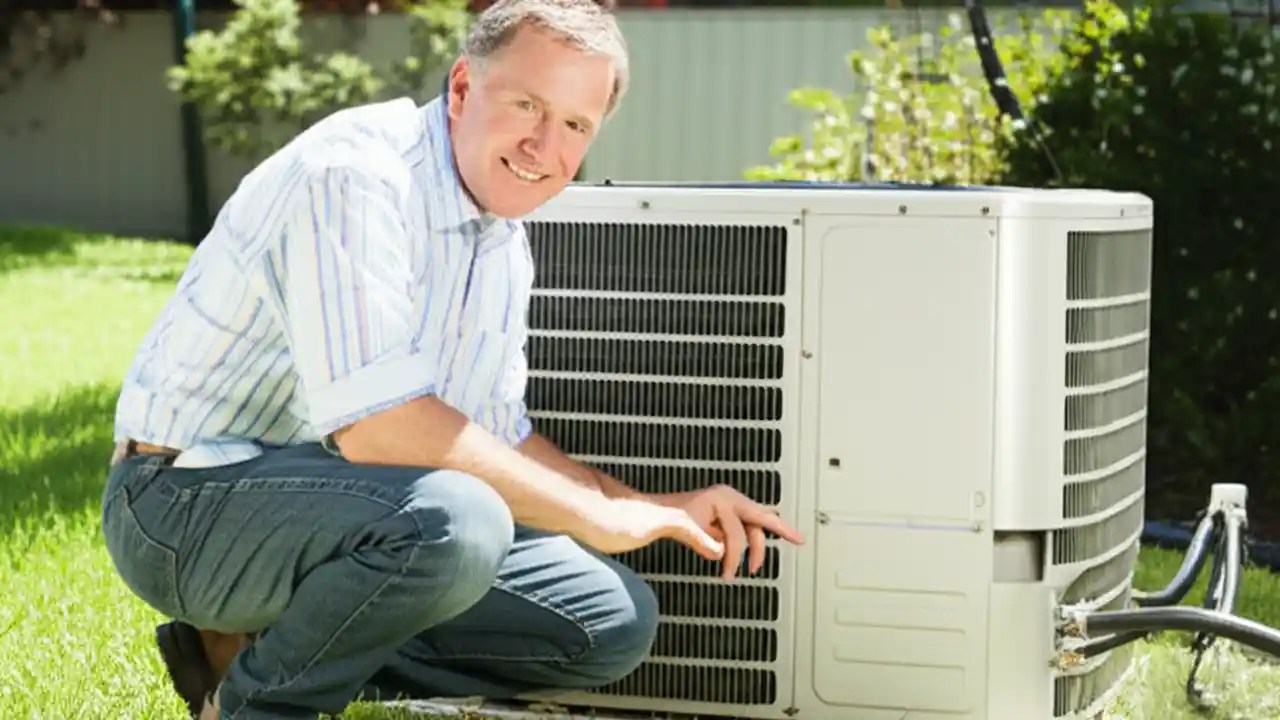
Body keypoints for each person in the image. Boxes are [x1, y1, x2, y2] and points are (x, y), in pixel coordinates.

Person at [100, 1, 805, 718]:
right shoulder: (355, 175)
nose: (543, 146)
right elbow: (383, 431)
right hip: (183, 506)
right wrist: (594, 517)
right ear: (463, 88)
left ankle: (254, 645)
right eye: (528, 105)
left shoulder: (501, 240)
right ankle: (256, 705)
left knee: (606, 620)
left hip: (350, 514)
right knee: (459, 519)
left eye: (574, 125)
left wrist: (646, 508)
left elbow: (502, 438)